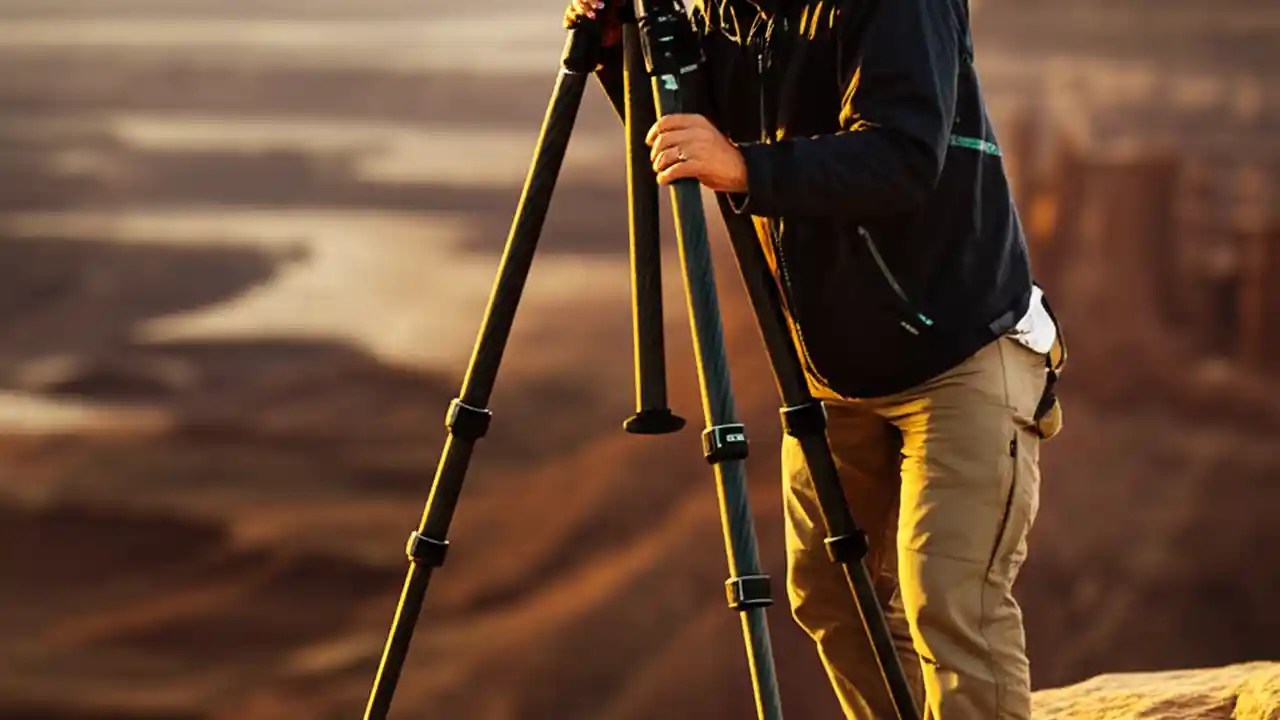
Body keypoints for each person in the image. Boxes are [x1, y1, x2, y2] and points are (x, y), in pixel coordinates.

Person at [565, 0, 1066, 716]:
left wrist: (745, 165)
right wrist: (621, 49)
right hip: (834, 367)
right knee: (833, 594)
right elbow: (693, 131)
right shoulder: (731, 9)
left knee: (953, 603)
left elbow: (901, 153)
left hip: (961, 350)